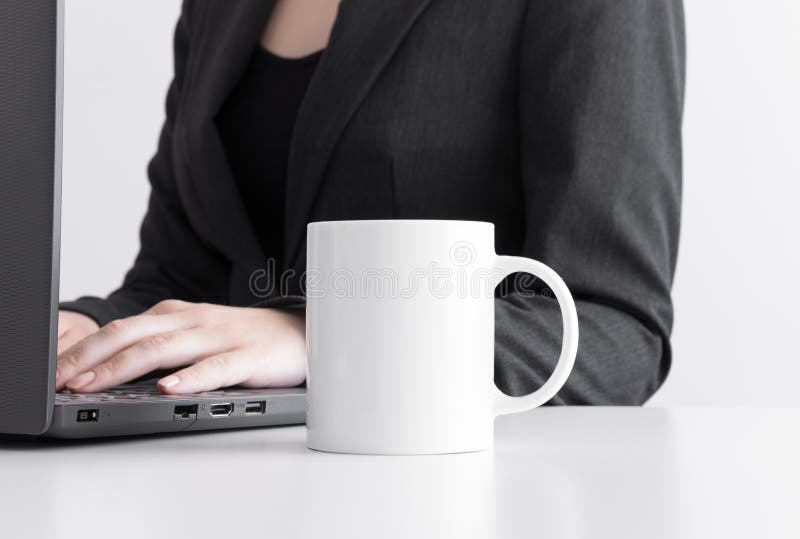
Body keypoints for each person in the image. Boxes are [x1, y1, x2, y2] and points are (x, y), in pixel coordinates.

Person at [56, 0, 685, 404]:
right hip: (221, 487)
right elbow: (183, 281)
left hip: (452, 501)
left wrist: (331, 338)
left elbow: (616, 327)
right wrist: (83, 330)